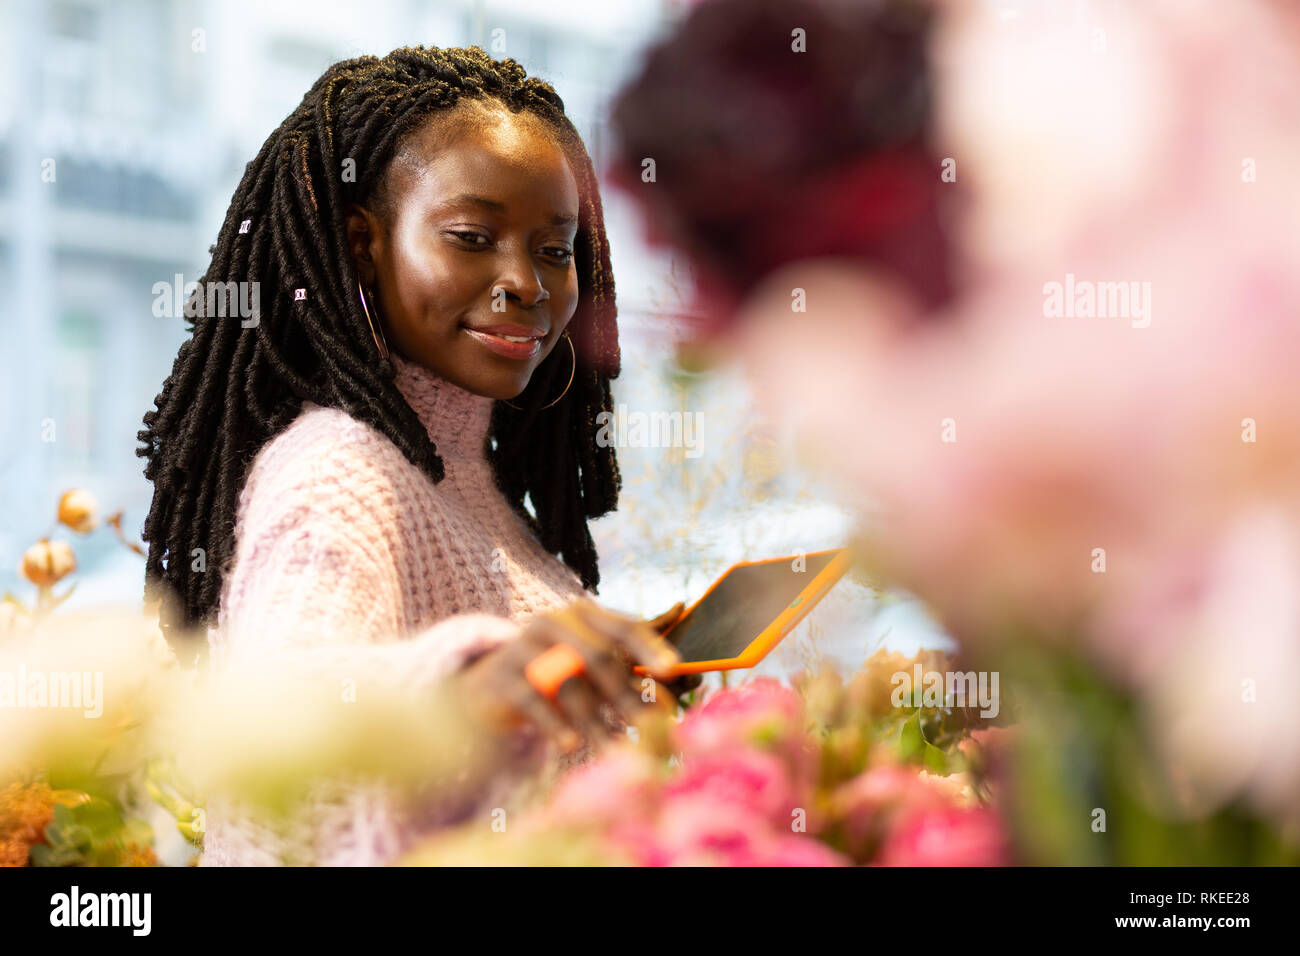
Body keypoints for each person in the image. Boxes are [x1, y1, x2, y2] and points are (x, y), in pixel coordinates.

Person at [137, 45, 684, 865]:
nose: (526, 283)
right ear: (363, 244)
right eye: (472, 236)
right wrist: (464, 687)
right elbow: (281, 719)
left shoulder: (477, 483)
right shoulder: (339, 470)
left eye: (553, 248)